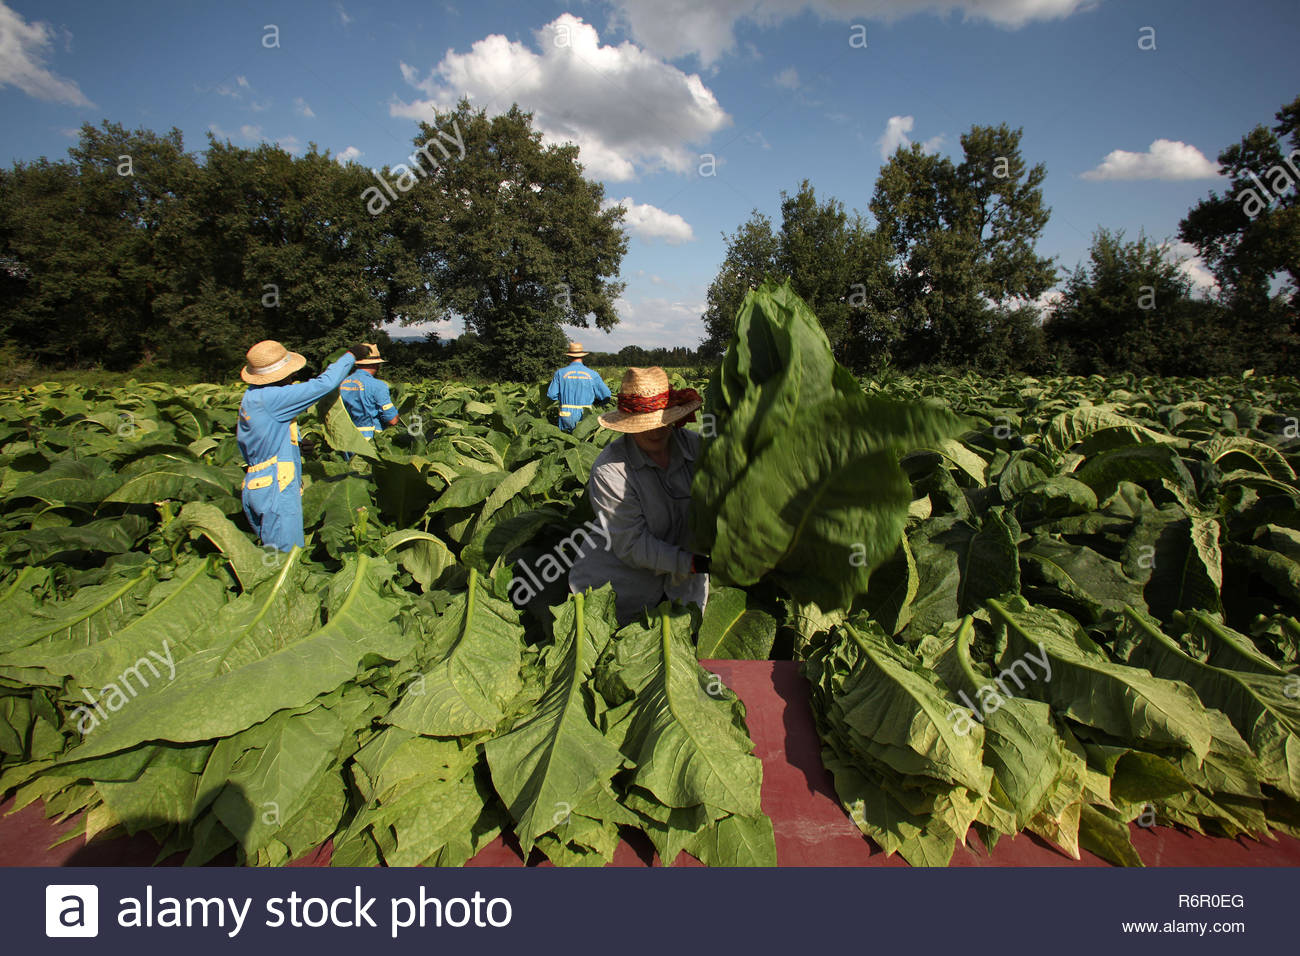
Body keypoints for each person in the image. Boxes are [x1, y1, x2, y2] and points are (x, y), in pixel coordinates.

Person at [568, 366, 710, 624]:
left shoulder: (695, 448)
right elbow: (633, 546)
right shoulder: (610, 470)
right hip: (618, 594)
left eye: (662, 422)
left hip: (684, 588)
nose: (656, 431)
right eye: (646, 424)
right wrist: (699, 564)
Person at [238, 340, 369, 551]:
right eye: (290, 374)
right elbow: (324, 384)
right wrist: (351, 355)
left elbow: (259, 441)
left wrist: (294, 447)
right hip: (275, 488)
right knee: (285, 559)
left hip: (256, 483)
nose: (293, 378)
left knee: (272, 551)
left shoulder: (252, 396)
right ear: (280, 375)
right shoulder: (274, 397)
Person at [546, 341, 611, 432]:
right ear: (582, 356)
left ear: (568, 356)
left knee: (565, 442)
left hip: (566, 413)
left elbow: (551, 395)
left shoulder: (560, 373)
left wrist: (565, 397)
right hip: (586, 415)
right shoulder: (592, 374)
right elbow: (606, 395)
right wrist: (596, 403)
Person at [340, 342, 399, 439]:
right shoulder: (378, 386)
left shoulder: (342, 383)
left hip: (346, 439)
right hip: (370, 439)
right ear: (375, 365)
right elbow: (392, 420)